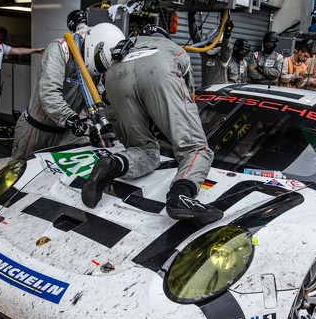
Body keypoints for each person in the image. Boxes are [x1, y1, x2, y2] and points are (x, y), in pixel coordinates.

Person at [80, 25, 223, 225]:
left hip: (115, 76)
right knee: (194, 148)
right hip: (160, 68)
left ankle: (113, 164)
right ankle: (181, 195)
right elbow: (189, 98)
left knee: (142, 149)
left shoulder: (125, 47)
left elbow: (112, 111)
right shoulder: (170, 46)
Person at [11, 23, 94, 160]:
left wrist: (97, 126)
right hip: (37, 129)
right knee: (21, 169)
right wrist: (70, 118)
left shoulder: (93, 64)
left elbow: (98, 96)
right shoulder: (61, 49)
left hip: (65, 132)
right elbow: (49, 92)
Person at [188, 13, 233, 86]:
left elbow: (227, 48)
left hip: (219, 91)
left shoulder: (223, 58)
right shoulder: (205, 54)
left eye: (212, 44)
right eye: (209, 44)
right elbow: (196, 39)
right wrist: (191, 20)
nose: (210, 46)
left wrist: (227, 34)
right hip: (205, 90)